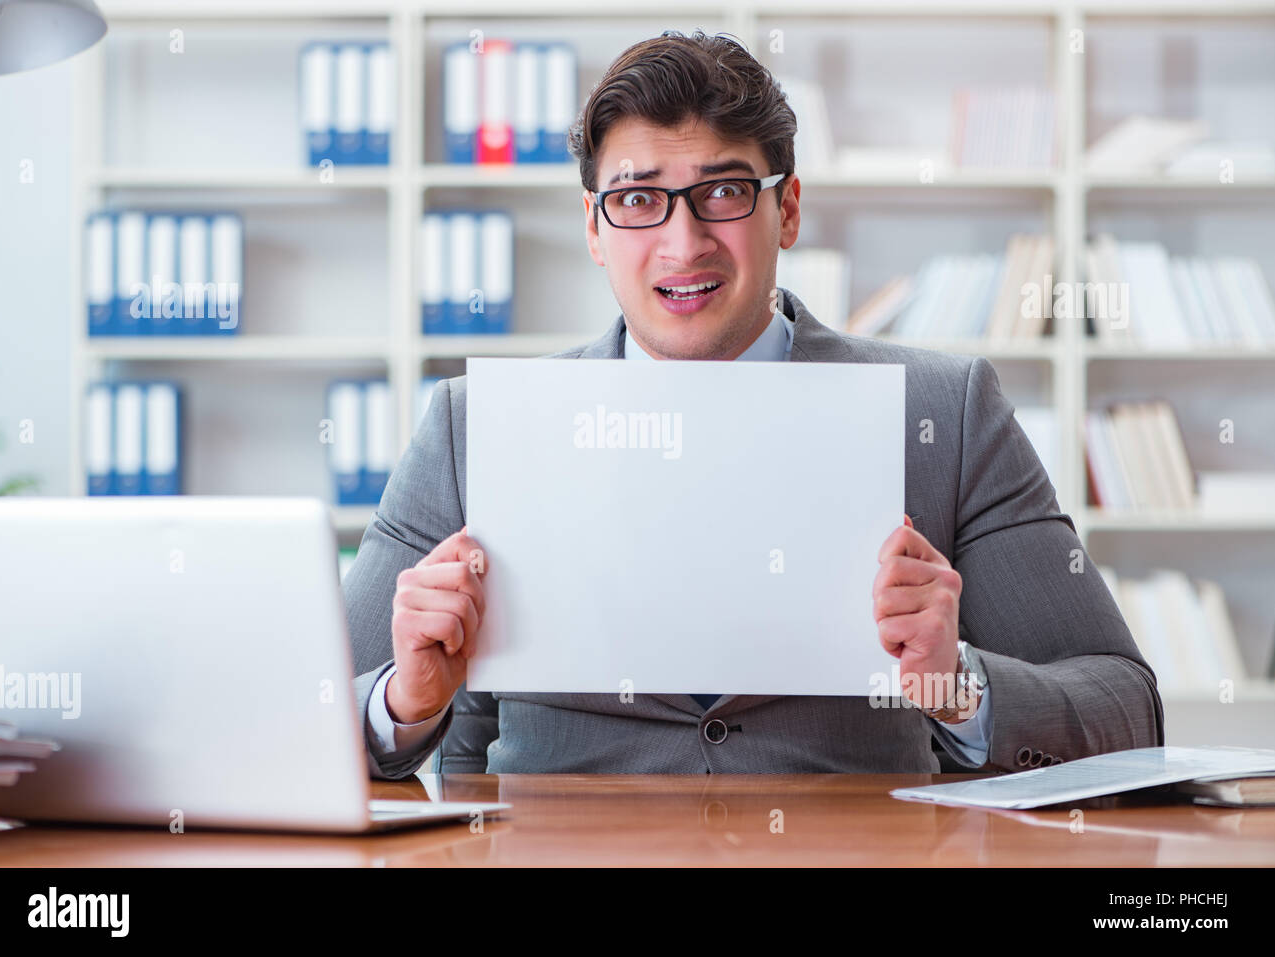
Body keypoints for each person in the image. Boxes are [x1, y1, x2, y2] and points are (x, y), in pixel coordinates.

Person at [343, 30, 1163, 777]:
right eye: (636, 199)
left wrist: (962, 684)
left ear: (789, 208)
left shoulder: (945, 412)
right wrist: (402, 702)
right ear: (594, 229)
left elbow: (1127, 709)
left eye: (725, 192)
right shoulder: (474, 426)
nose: (683, 241)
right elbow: (307, 717)